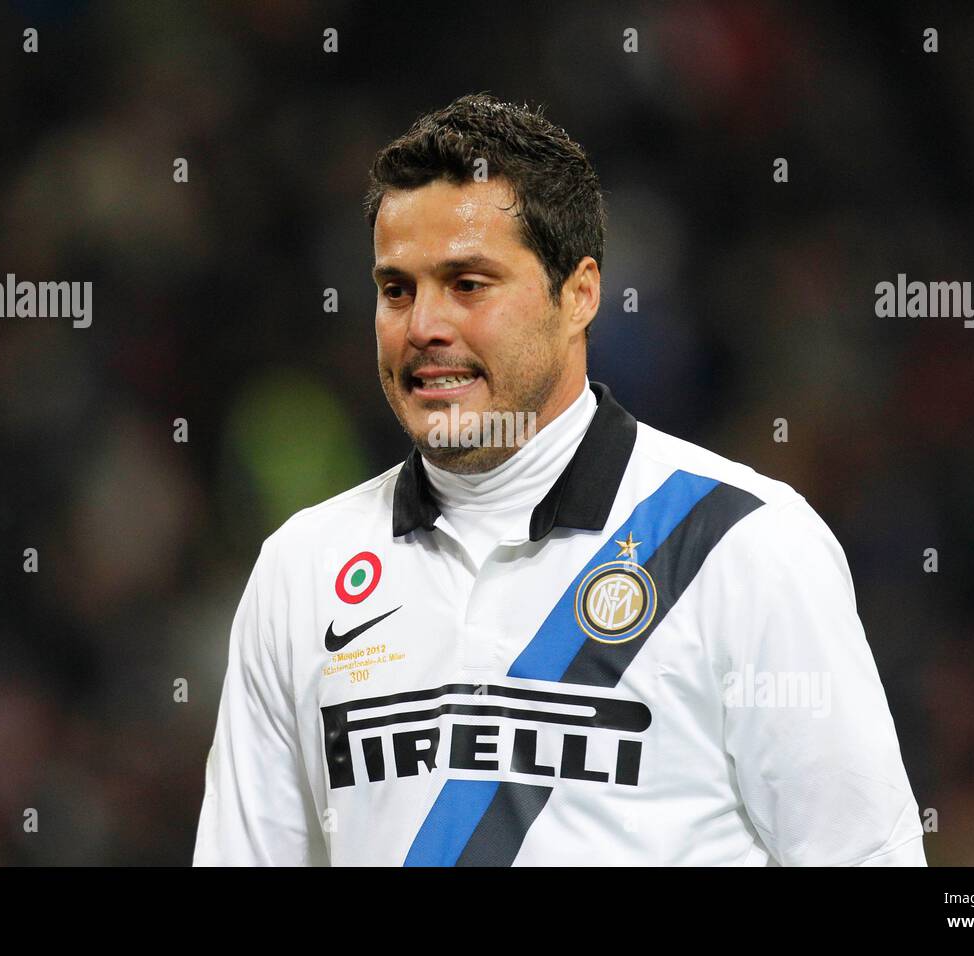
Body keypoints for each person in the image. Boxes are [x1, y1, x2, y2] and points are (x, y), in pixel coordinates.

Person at [193, 93, 926, 866]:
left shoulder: (741, 543)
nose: (423, 327)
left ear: (579, 294)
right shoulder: (300, 568)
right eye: (397, 289)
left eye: (468, 284)